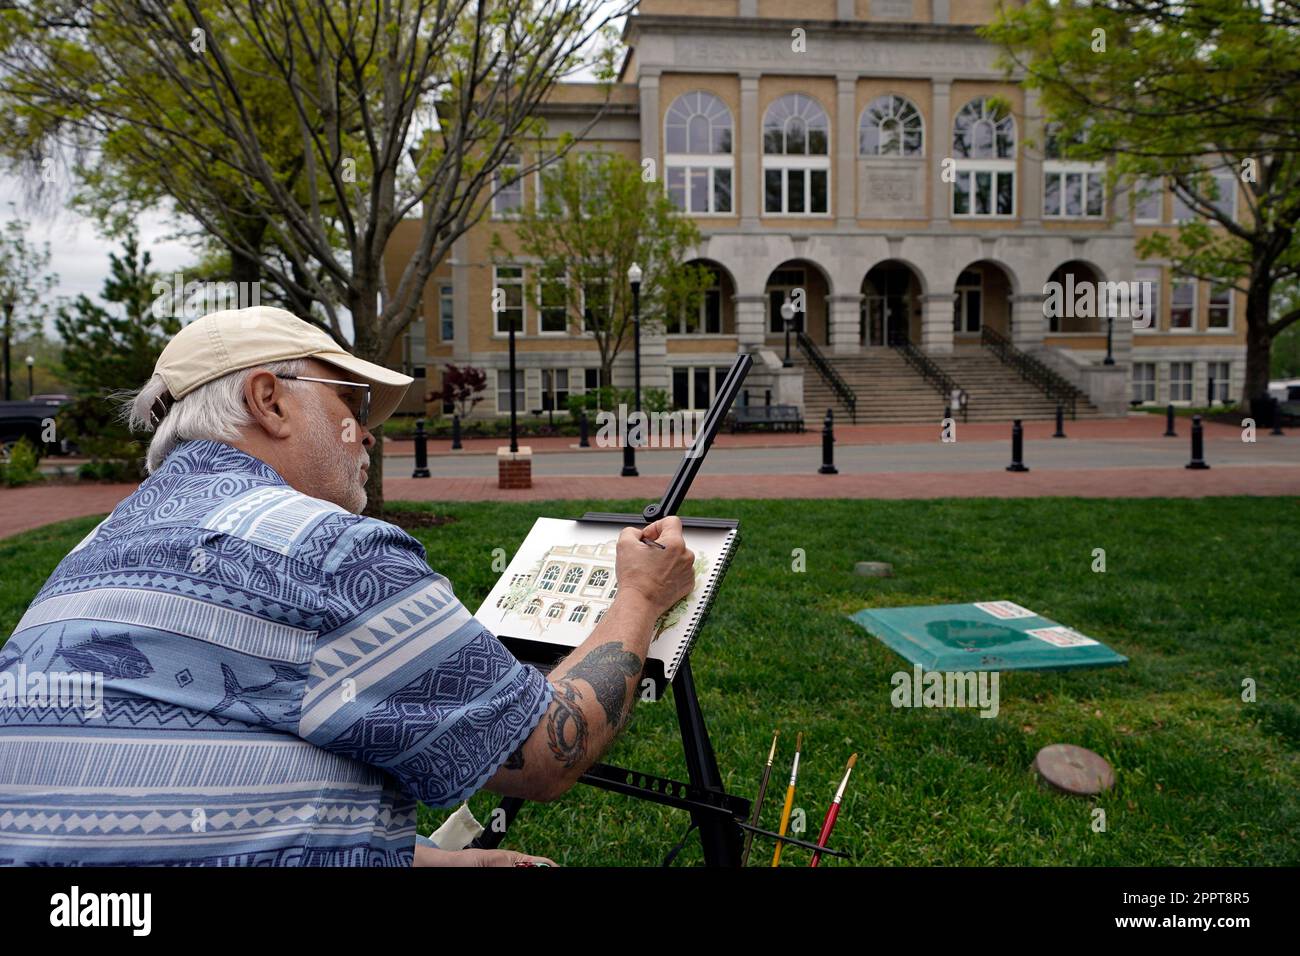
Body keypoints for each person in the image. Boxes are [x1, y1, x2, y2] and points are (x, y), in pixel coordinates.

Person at [0, 306, 695, 866]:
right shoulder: (323, 550)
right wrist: (638, 595)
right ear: (268, 400)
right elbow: (545, 750)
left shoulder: (92, 550)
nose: (365, 433)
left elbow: (180, 799)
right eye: (351, 401)